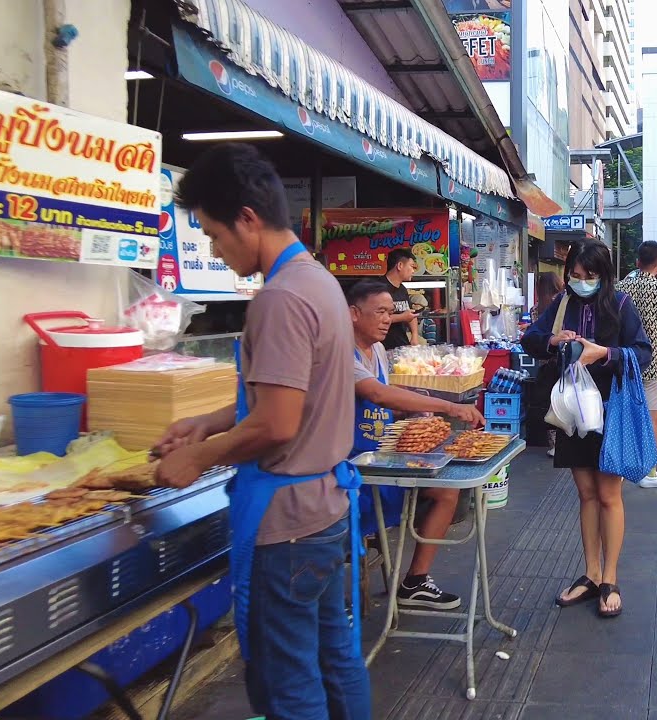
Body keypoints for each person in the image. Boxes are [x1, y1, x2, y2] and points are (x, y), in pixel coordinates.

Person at [153, 143, 369, 718]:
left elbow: (276, 423)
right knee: (334, 658)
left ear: (248, 219)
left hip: (289, 525)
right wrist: (207, 423)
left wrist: (199, 459)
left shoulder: (279, 298)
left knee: (286, 684)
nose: (216, 251)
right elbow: (284, 393)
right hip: (324, 509)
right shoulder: (318, 282)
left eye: (215, 235)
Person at [521, 240, 651, 618]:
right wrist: (552, 340)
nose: (580, 283)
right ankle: (591, 573)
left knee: (609, 495)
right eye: (574, 276)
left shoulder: (621, 305)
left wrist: (604, 353)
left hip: (610, 412)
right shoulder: (563, 304)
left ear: (604, 275)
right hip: (573, 414)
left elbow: (643, 352)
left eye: (589, 276)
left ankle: (610, 577)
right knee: (586, 494)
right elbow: (529, 339)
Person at [347, 281, 484, 610]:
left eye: (389, 312)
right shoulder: (339, 352)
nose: (386, 319)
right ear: (352, 313)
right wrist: (448, 407)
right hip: (354, 467)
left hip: (386, 457)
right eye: (378, 312)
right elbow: (376, 394)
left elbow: (385, 405)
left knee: (447, 492)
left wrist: (414, 410)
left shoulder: (377, 351)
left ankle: (415, 580)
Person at [616, 241, 657, 487]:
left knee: (625, 417)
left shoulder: (620, 287)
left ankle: (620, 469)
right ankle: (648, 473)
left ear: (636, 262)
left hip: (627, 361)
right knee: (653, 420)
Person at [533, 272, 565, 459]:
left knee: (549, 403)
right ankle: (564, 441)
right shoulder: (562, 303)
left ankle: (553, 444)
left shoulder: (536, 308)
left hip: (545, 362)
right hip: (562, 359)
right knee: (563, 401)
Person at [376, 248, 421, 350]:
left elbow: (411, 314)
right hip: (383, 346)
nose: (413, 271)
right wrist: (402, 317)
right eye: (411, 266)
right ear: (400, 266)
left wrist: (414, 336)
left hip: (401, 344)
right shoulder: (379, 288)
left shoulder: (402, 289)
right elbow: (375, 319)